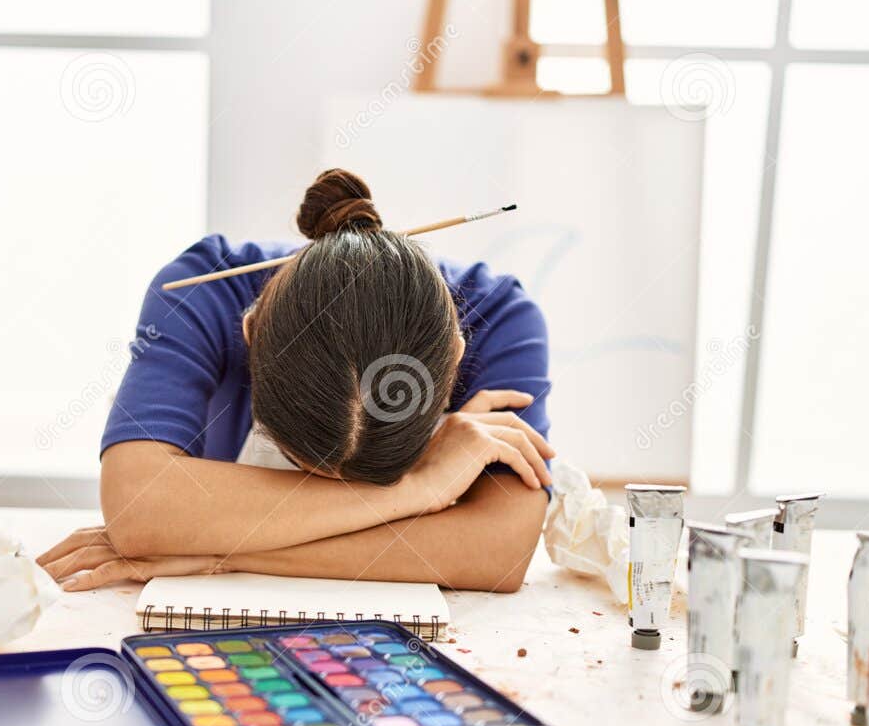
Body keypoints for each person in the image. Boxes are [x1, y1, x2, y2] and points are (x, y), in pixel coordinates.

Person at [39, 168, 553, 593]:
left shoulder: (502, 318)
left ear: (457, 356)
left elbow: (500, 552)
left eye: (375, 482)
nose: (340, 498)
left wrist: (221, 551)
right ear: (250, 331)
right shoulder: (202, 290)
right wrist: (420, 487)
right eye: (304, 468)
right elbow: (139, 507)